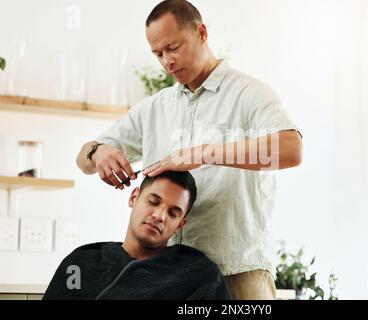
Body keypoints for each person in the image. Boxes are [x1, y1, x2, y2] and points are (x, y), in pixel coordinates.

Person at [76, 0, 303, 300]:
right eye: (158, 54)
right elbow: (84, 158)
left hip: (237, 274)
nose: (167, 61)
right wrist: (99, 152)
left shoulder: (249, 94)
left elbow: (290, 150)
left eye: (173, 47)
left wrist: (204, 153)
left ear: (201, 33)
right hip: (166, 276)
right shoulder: (155, 108)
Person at [43, 171, 231, 300]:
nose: (159, 216)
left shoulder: (198, 274)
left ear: (180, 224)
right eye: (153, 201)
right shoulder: (81, 262)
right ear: (134, 197)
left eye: (173, 213)